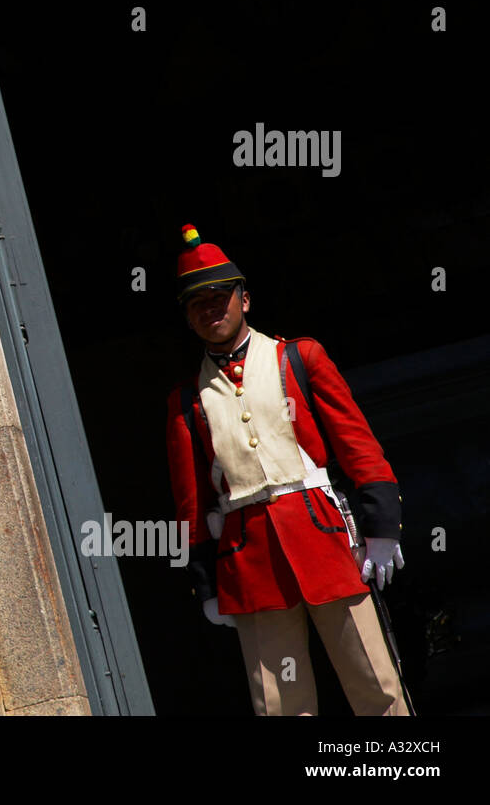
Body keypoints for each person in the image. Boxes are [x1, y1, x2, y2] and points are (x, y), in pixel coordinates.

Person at [164, 224, 409, 715]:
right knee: (279, 705)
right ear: (189, 320)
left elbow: (356, 443)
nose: (211, 309)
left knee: (376, 685)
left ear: (245, 300)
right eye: (198, 304)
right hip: (247, 560)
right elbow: (190, 500)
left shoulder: (299, 357)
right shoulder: (186, 400)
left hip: (324, 538)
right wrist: (206, 582)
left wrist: (382, 527)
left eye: (220, 297)